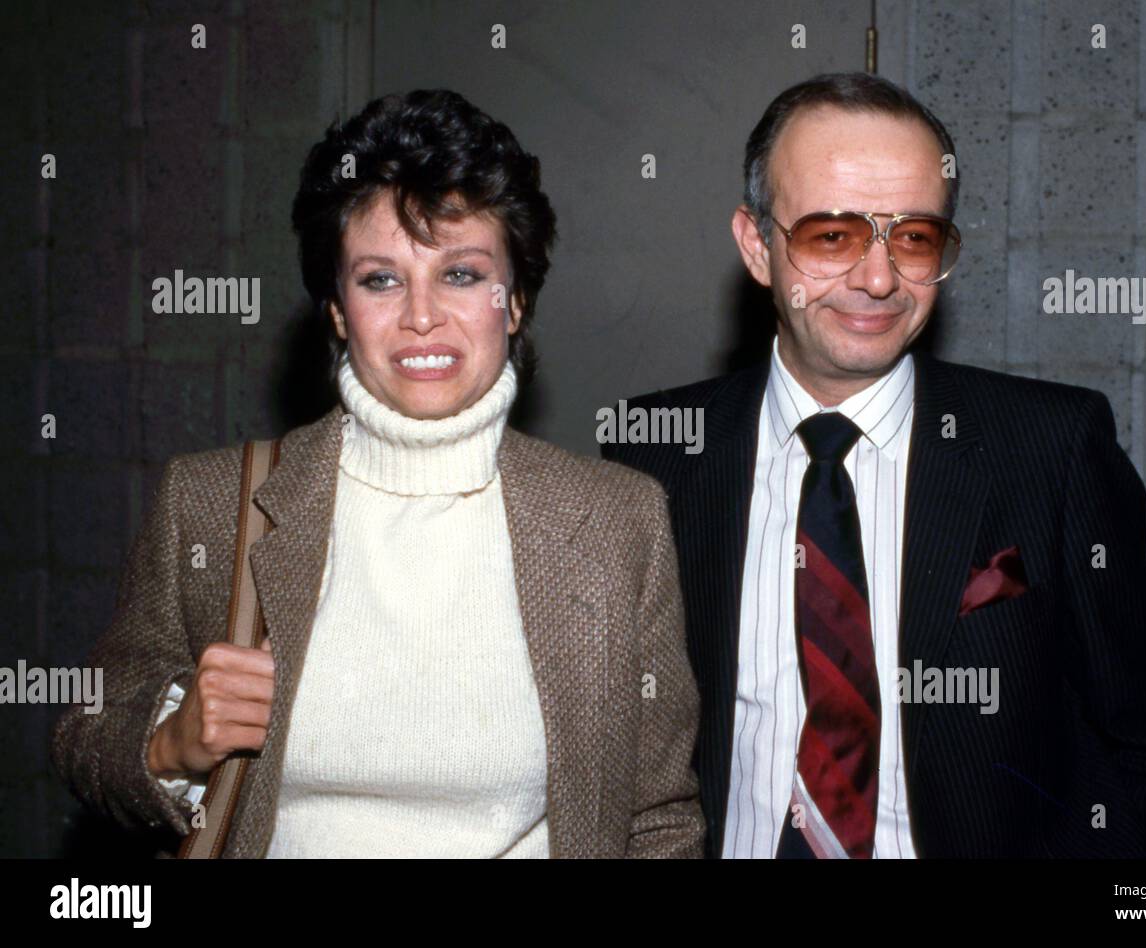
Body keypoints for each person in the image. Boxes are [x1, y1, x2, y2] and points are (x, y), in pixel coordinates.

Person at [50, 89, 705, 858]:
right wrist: (169, 746)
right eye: (380, 279)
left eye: (461, 274)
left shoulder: (618, 520)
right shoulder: (211, 505)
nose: (421, 315)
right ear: (336, 309)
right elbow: (85, 737)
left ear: (516, 299)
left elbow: (658, 819)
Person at [602, 72, 1146, 858]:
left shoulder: (1052, 449)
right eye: (832, 235)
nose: (880, 278)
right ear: (757, 247)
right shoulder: (652, 452)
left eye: (915, 237)